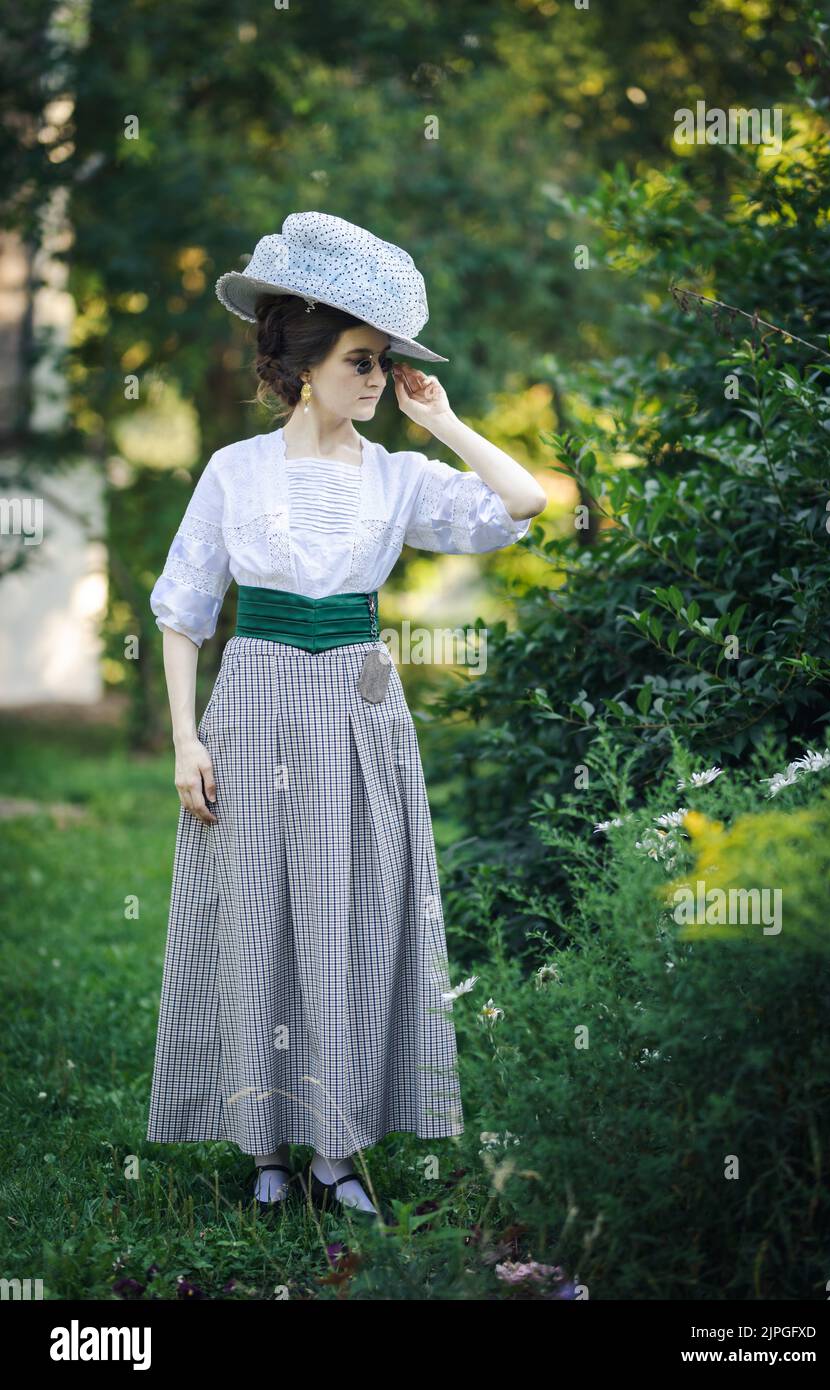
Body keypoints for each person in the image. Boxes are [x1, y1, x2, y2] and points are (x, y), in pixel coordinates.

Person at [145, 212, 547, 1219]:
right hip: (255, 701)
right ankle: (265, 1143)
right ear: (307, 360)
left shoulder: (400, 474)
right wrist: (187, 737)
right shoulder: (235, 470)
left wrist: (444, 421)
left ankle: (336, 1145)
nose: (378, 379)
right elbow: (183, 608)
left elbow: (523, 503)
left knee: (350, 914)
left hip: (361, 707)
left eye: (386, 363)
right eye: (363, 361)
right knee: (258, 915)